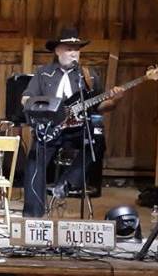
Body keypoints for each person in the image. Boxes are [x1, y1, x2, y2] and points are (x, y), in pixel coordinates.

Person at [21, 27, 124, 217]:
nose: (73, 53)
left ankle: (66, 183)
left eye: (76, 49)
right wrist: (42, 111)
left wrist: (115, 100)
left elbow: (99, 107)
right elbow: (26, 98)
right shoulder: (43, 73)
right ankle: (33, 215)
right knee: (35, 159)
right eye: (68, 48)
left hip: (77, 129)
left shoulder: (88, 75)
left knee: (97, 142)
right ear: (57, 51)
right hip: (50, 129)